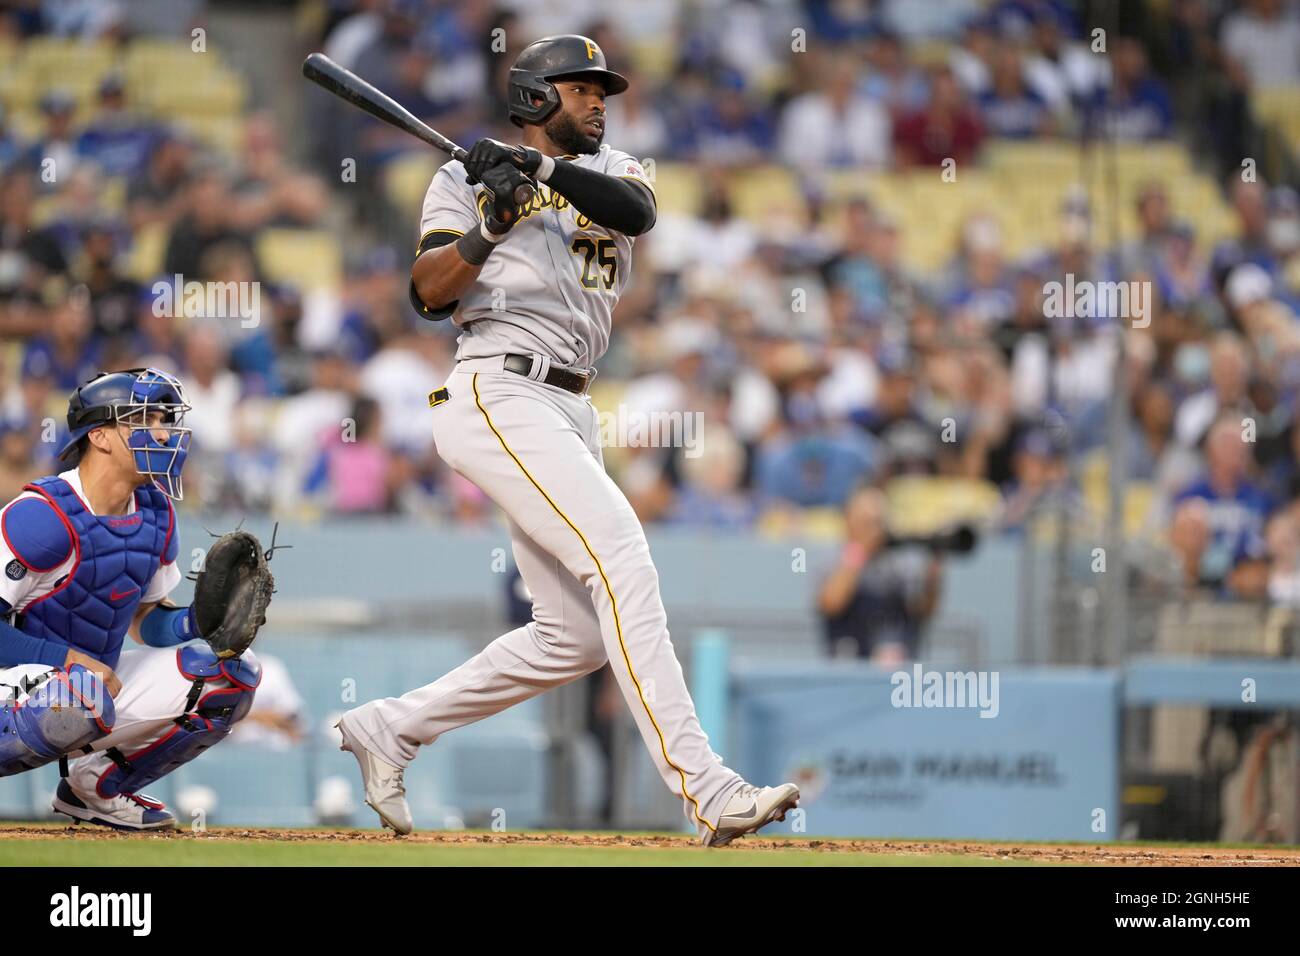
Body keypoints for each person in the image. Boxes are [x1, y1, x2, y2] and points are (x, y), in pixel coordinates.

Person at [337, 35, 798, 847]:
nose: (597, 102)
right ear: (533, 98)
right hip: (496, 384)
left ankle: (391, 728)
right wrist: (489, 223)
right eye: (580, 89)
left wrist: (540, 177)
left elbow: (637, 215)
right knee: (621, 554)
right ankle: (709, 788)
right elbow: (426, 295)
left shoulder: (619, 170)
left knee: (575, 636)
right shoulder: (461, 176)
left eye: (602, 92)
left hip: (571, 406)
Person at [0, 368, 261, 829]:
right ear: (99, 436)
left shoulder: (156, 512)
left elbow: (145, 621)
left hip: (90, 692)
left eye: (165, 419)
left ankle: (96, 788)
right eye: (146, 419)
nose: (163, 433)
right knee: (85, 692)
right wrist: (68, 659)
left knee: (232, 672)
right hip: (22, 688)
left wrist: (200, 623)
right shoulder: (40, 516)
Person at [817, 486, 942, 664]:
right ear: (848, 521)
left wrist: (933, 578)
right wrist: (861, 552)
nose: (875, 531)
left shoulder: (901, 562)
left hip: (900, 673)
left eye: (879, 523)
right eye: (867, 523)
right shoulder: (833, 558)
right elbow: (831, 602)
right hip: (847, 669)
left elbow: (923, 611)